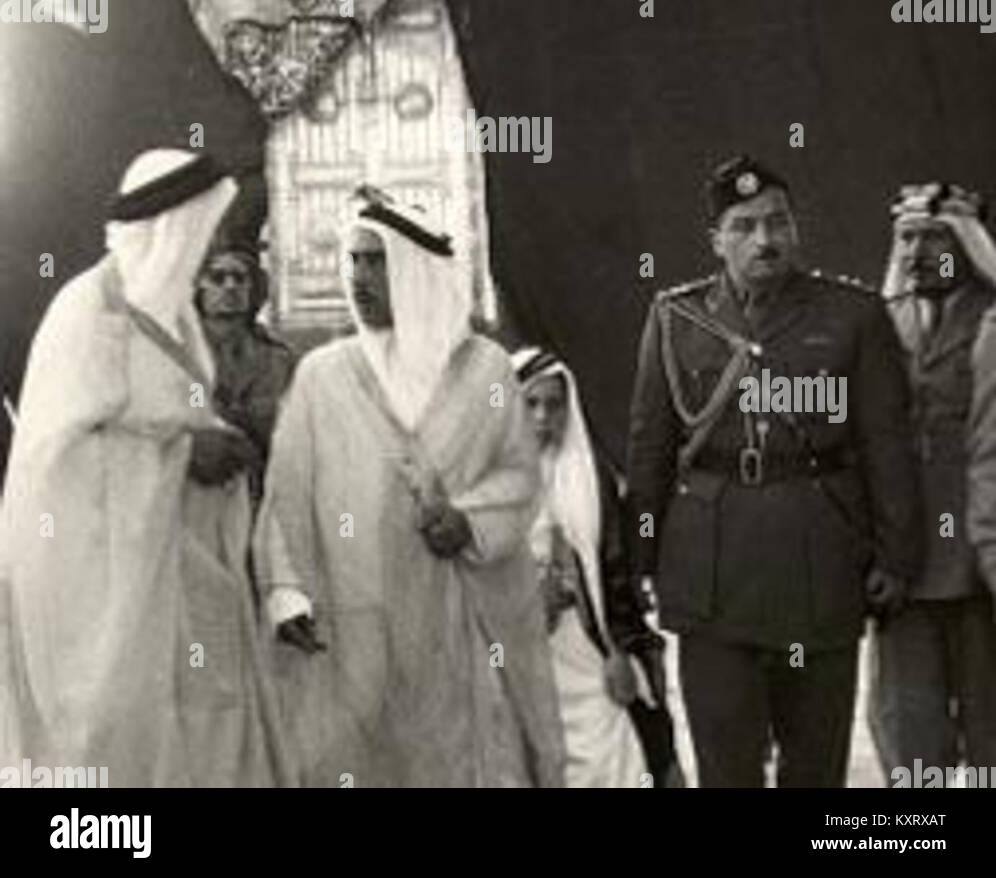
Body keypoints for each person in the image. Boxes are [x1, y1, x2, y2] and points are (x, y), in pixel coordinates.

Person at [0, 149, 293, 788]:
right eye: (203, 227)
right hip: (111, 597)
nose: (213, 244)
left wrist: (218, 442)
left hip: (194, 573)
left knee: (207, 734)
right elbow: (57, 461)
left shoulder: (177, 317)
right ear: (170, 226)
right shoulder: (88, 313)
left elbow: (169, 415)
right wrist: (188, 455)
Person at [626, 154, 921, 788]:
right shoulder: (677, 320)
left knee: (814, 767)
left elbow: (886, 445)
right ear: (717, 242)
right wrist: (639, 565)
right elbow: (650, 449)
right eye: (745, 226)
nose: (765, 239)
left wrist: (895, 559)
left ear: (796, 230)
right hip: (710, 571)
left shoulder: (853, 317)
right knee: (726, 766)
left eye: (777, 222)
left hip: (818, 559)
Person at [253, 189, 564, 788]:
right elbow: (284, 491)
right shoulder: (322, 375)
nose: (361, 278)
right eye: (355, 261)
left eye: (378, 262)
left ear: (419, 273)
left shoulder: (486, 369)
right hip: (355, 619)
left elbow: (520, 475)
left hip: (461, 620)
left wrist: (469, 522)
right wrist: (287, 590)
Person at [871, 183, 996, 779]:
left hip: (981, 560)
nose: (917, 251)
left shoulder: (991, 316)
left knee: (990, 727)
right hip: (906, 560)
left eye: (933, 237)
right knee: (910, 728)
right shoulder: (883, 322)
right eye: (907, 238)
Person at [513, 346, 677, 787]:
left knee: (607, 759)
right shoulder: (487, 481)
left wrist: (619, 651)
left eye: (553, 404)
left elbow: (613, 574)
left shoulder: (588, 478)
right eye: (530, 403)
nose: (542, 417)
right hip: (515, 650)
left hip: (584, 643)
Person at [195, 239, 295, 507]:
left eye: (240, 278)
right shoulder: (185, 356)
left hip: (262, 495)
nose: (231, 286)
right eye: (218, 278)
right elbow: (190, 413)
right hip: (198, 498)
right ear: (199, 288)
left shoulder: (278, 359)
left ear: (253, 289)